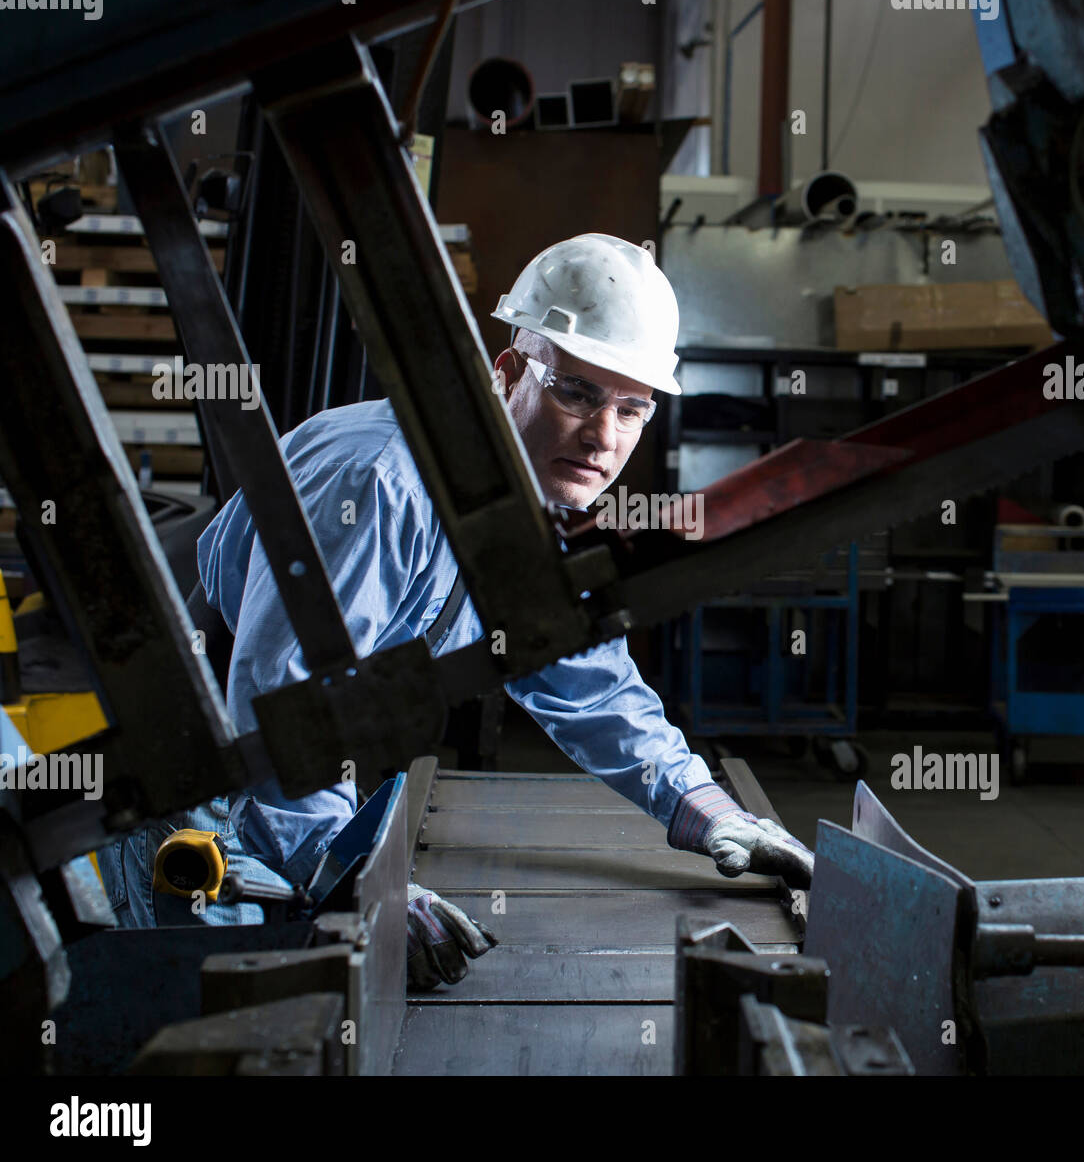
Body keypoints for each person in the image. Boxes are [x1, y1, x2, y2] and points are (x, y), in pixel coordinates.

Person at [102, 234, 814, 988]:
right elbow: (285, 700)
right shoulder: (377, 481)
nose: (604, 437)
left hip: (283, 798)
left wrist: (703, 806)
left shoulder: (531, 506)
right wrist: (347, 873)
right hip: (199, 803)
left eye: (631, 409)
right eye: (575, 391)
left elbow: (583, 678)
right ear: (509, 373)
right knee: (213, 1026)